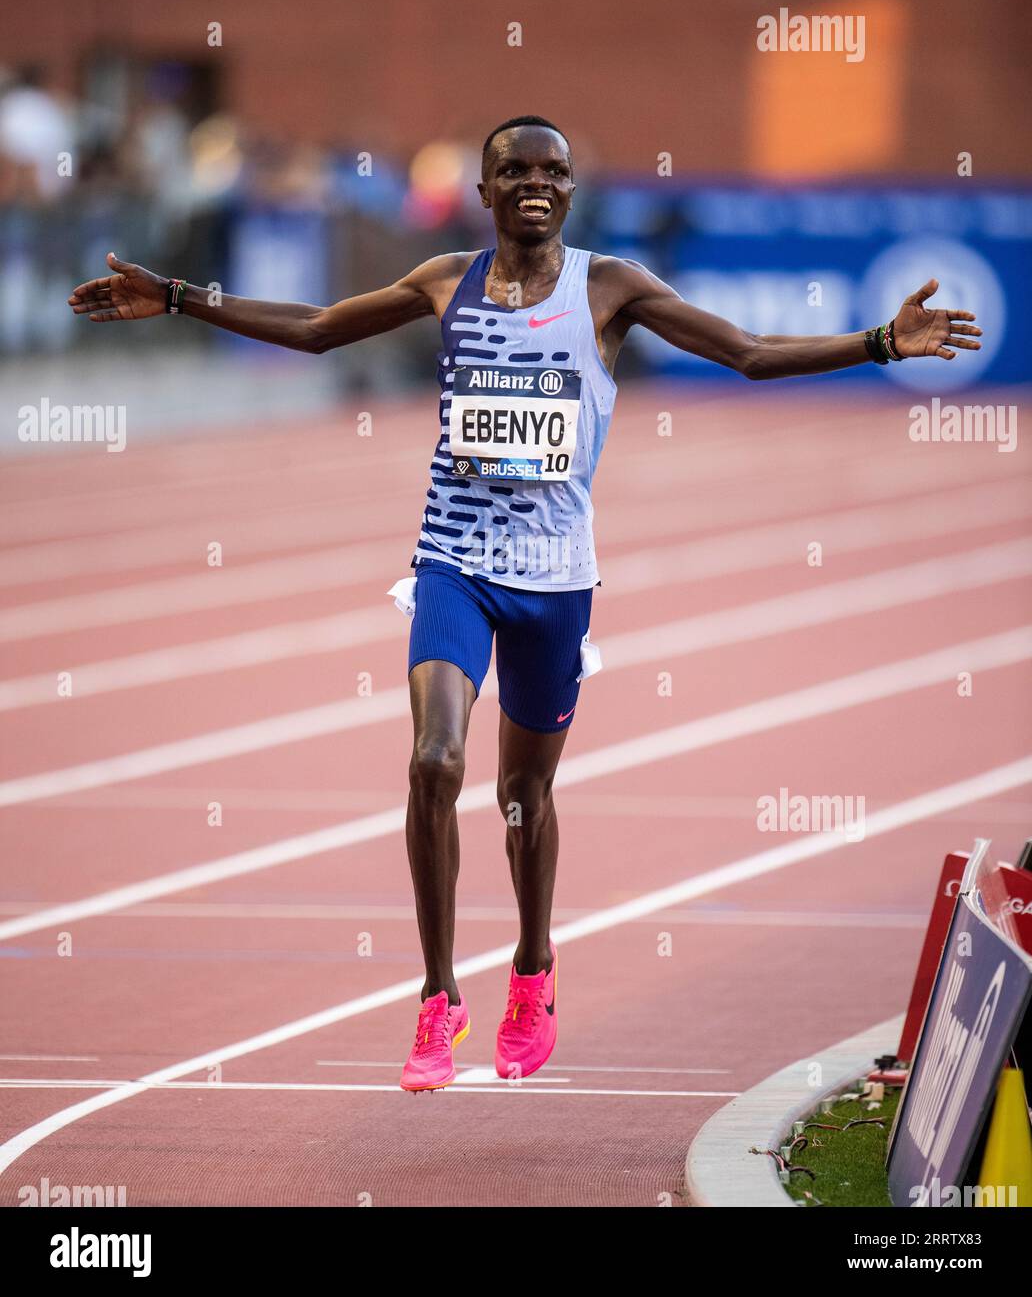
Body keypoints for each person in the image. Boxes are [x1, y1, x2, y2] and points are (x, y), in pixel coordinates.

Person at [68, 114, 982, 1091]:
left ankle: (533, 968)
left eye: (554, 171)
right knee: (432, 760)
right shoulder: (442, 280)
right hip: (452, 561)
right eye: (516, 170)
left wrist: (883, 340)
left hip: (556, 582)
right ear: (485, 189)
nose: (536, 184)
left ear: (572, 192)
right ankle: (434, 996)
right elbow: (318, 328)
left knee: (520, 796)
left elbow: (748, 351)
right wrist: (175, 297)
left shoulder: (611, 288)